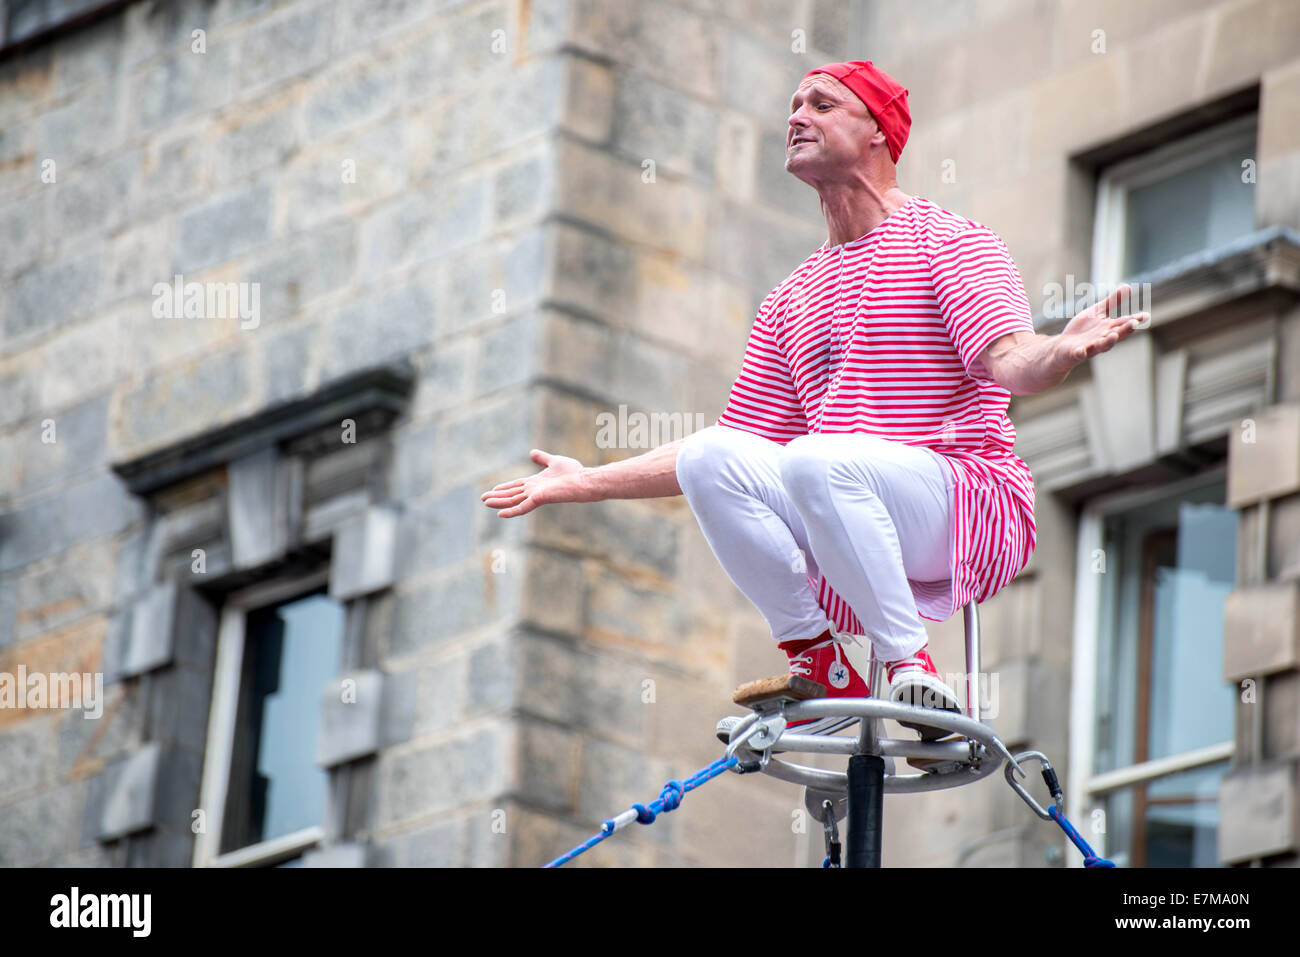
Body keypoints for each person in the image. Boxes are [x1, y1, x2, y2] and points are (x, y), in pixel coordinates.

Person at [480, 60, 1145, 739]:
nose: (797, 116)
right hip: (845, 501)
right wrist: (587, 480)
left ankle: (912, 664)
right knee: (714, 455)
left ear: (878, 133)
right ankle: (820, 659)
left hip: (968, 506)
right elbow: (732, 452)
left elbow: (1009, 359)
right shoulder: (790, 297)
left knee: (814, 460)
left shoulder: (949, 241)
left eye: (822, 104)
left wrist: (1059, 352)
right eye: (795, 104)